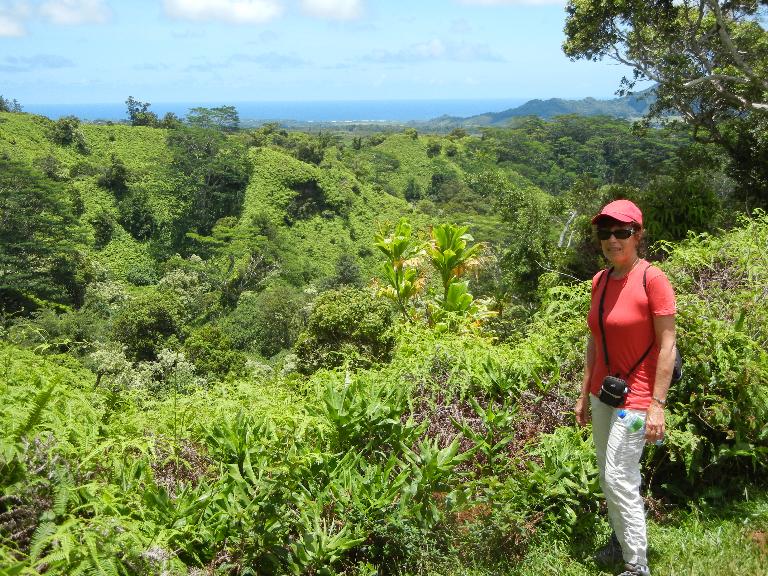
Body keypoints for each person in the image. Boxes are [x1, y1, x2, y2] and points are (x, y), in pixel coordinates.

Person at [574, 199, 676, 576]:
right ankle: (621, 538)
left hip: (638, 397)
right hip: (604, 394)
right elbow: (594, 340)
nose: (612, 240)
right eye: (605, 233)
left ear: (638, 234)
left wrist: (657, 404)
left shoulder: (653, 279)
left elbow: (668, 344)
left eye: (621, 232)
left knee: (620, 476)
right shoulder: (600, 281)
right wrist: (584, 392)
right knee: (607, 473)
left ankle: (637, 565)